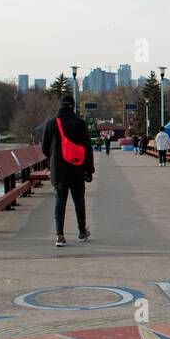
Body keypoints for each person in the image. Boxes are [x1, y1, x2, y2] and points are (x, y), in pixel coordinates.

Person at [41, 94, 94, 247]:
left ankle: (59, 235)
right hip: (77, 168)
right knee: (79, 200)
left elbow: (44, 148)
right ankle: (82, 232)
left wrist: (53, 159)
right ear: (73, 105)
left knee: (59, 200)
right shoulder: (79, 123)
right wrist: (89, 169)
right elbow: (87, 148)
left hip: (59, 169)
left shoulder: (51, 123)